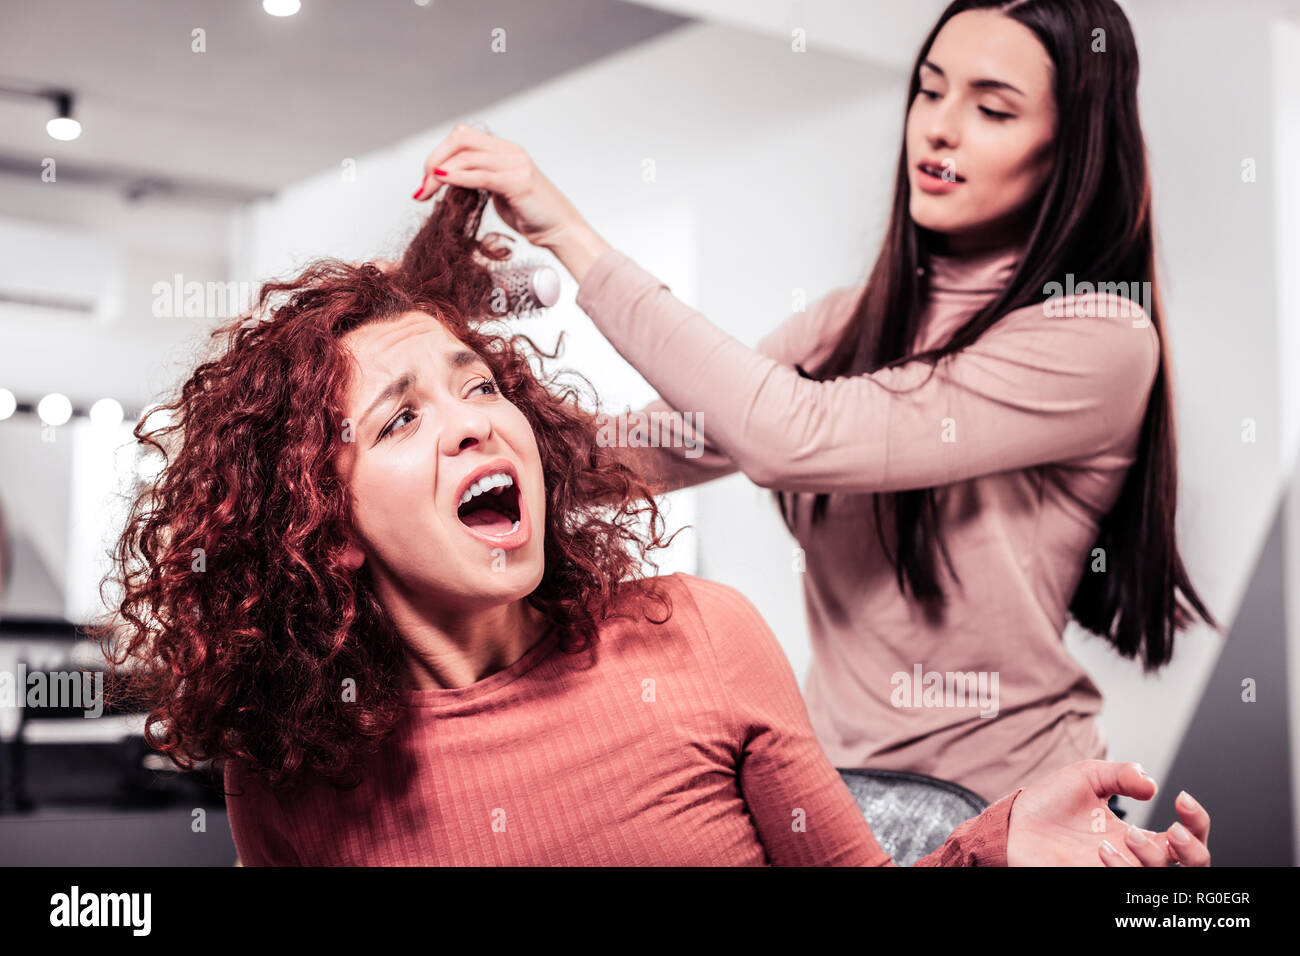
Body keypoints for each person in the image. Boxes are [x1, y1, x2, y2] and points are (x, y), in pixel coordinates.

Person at [93, 187, 1209, 867]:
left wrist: (1000, 848)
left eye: (481, 386)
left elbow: (782, 427)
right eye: (401, 418)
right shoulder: (291, 761)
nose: (477, 426)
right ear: (324, 528)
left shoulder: (698, 636)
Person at [411, 0, 1219, 808]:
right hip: (852, 793)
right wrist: (457, 412)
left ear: (1071, 148)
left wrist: (569, 235)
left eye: (992, 107)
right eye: (930, 91)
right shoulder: (843, 324)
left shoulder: (1100, 338)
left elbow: (791, 435)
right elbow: (657, 446)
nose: (939, 128)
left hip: (1018, 801)